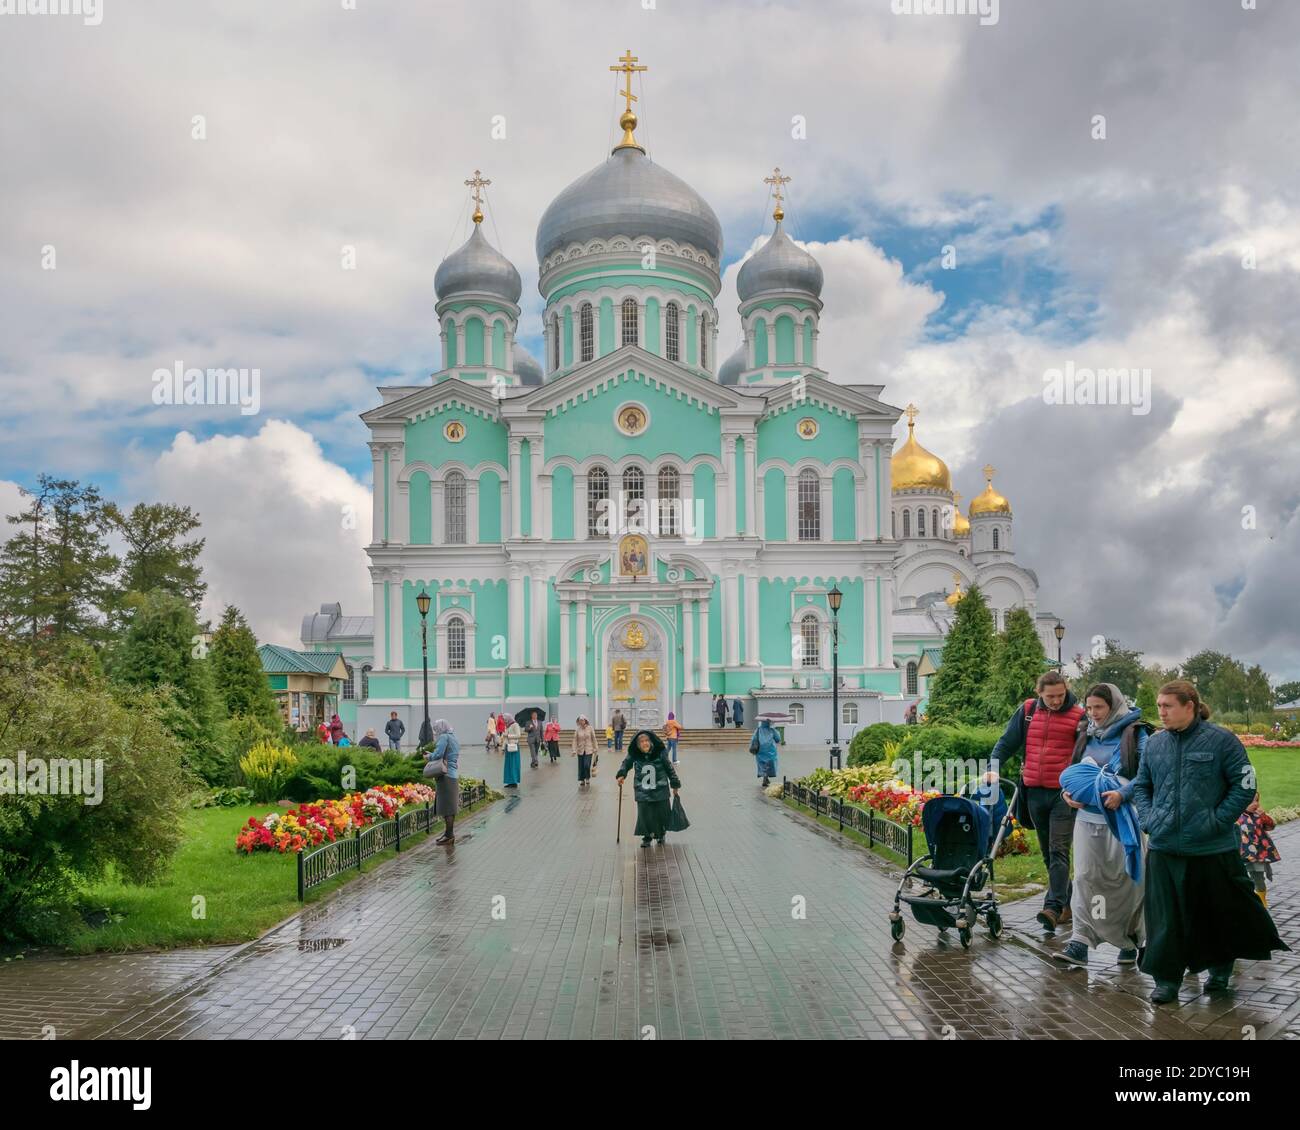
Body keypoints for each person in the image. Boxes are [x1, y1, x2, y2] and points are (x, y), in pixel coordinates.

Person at [1132, 680, 1288, 1004]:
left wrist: (1215, 822)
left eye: (1168, 706)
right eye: (1159, 705)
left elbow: (1244, 786)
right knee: (1164, 917)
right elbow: (1142, 786)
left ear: (1190, 705)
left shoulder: (1222, 741)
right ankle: (1167, 980)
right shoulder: (1155, 744)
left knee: (1216, 912)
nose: (1161, 711)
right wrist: (1148, 820)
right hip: (1163, 849)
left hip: (1211, 848)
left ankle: (1219, 973)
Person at [1053, 683, 1150, 968]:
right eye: (1090, 707)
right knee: (1084, 877)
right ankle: (1080, 941)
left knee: (1127, 882)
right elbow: (1072, 772)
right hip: (1087, 821)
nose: (1093, 713)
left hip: (1122, 821)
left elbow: (1146, 773)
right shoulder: (1086, 734)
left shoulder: (1135, 733)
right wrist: (1066, 795)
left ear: (1114, 706)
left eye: (1099, 707)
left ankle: (1129, 938)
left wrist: (1123, 794)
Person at [989, 670, 1085, 933]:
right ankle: (1067, 903)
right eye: (1051, 696)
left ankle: (1052, 907)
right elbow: (1006, 743)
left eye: (1061, 695)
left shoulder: (1078, 715)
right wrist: (993, 767)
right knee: (1047, 853)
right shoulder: (1028, 711)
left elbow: (1085, 754)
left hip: (1062, 794)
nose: (1056, 701)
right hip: (1033, 791)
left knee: (1058, 850)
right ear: (1039, 692)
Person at [616, 729, 682, 847]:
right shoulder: (635, 754)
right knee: (644, 814)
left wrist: (675, 784)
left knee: (662, 812)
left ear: (651, 742)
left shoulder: (660, 752)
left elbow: (669, 768)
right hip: (642, 789)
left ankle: (660, 834)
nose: (645, 743)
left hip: (660, 787)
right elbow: (626, 763)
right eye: (641, 742)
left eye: (647, 741)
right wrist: (621, 774)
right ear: (638, 745)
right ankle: (647, 836)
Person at [1238, 792, 1281, 907]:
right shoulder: (1236, 816)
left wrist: (1264, 816)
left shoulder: (1258, 815)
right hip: (1242, 854)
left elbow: (1271, 826)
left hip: (1258, 854)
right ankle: (1247, 901)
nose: (1255, 804)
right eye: (1251, 801)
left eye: (1256, 800)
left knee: (1258, 878)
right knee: (1243, 878)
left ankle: (1262, 901)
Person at [425, 719, 460, 845]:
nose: (435, 732)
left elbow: (438, 754)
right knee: (450, 807)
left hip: (445, 775)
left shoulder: (444, 737)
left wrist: (429, 756)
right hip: (453, 774)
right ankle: (448, 834)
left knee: (447, 808)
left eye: (436, 729)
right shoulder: (453, 737)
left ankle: (449, 836)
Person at [750, 717, 782, 787]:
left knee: (762, 764)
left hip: (760, 751)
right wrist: (776, 731)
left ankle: (765, 777)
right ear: (768, 723)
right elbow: (778, 739)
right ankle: (766, 778)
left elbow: (753, 739)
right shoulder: (772, 730)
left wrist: (751, 748)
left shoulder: (758, 730)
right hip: (771, 751)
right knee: (770, 764)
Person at [573, 714, 597, 788]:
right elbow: (575, 740)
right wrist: (574, 750)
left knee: (586, 765)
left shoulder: (590, 728)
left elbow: (593, 738)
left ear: (585, 720)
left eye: (582, 720)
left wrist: (595, 747)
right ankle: (582, 779)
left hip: (589, 750)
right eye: (580, 720)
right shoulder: (577, 729)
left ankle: (587, 778)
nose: (581, 722)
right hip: (580, 750)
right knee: (581, 766)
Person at [502, 716, 522, 789]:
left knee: (514, 765)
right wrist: (503, 748)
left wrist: (508, 735)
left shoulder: (515, 725)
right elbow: (505, 738)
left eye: (505, 719)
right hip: (508, 747)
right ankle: (509, 782)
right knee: (508, 766)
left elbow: (518, 735)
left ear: (508, 718)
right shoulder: (507, 726)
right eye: (504, 720)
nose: (504, 721)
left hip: (513, 747)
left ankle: (514, 782)